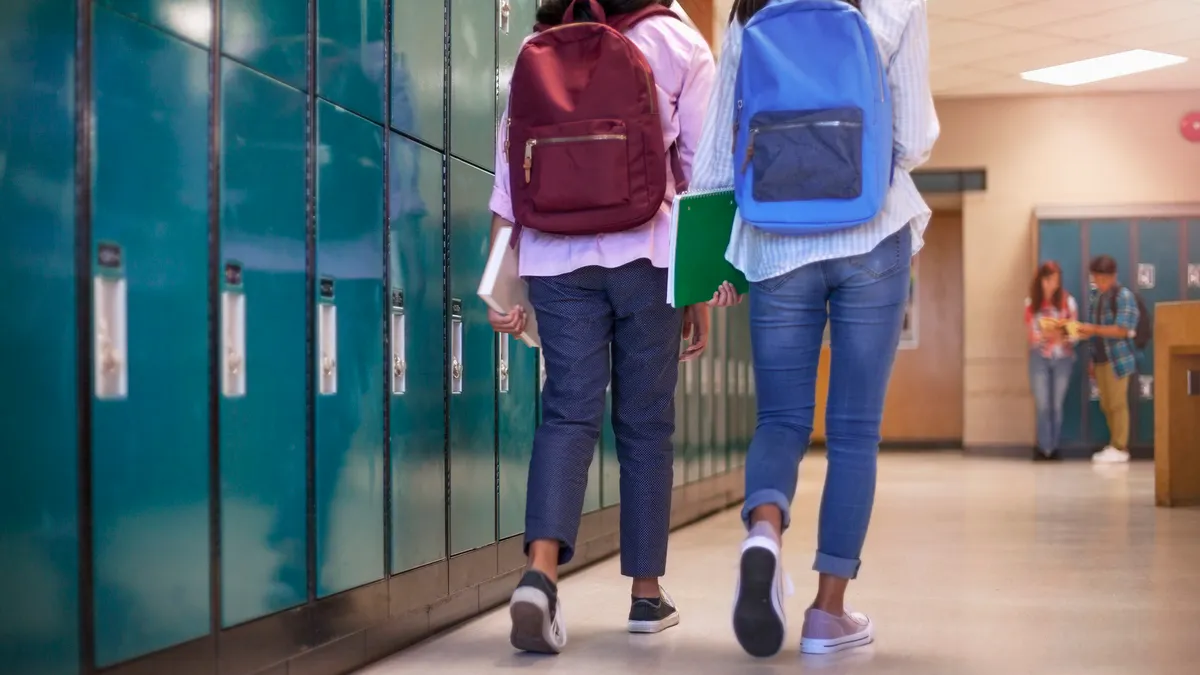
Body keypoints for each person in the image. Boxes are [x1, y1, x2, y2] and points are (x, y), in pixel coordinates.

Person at [695, 0, 939, 658]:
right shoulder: (897, 7)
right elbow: (914, 137)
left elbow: (720, 152)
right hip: (871, 233)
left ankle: (765, 532)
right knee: (854, 430)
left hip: (776, 240)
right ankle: (828, 614)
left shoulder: (751, 12)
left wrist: (709, 262)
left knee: (779, 419)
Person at [486, 0, 715, 655]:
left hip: (557, 259)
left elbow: (510, 181)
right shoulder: (675, 39)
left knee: (567, 412)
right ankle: (646, 592)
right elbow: (701, 171)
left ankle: (540, 573)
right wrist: (693, 281)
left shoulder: (545, 43)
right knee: (646, 422)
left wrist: (502, 283)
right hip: (647, 256)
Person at [1077, 255, 1140, 464]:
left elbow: (1122, 330)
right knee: (1106, 404)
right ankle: (1114, 445)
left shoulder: (1124, 296)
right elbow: (1096, 333)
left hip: (1118, 360)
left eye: (1102, 279)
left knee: (1117, 403)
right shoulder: (1097, 297)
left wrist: (1093, 329)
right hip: (1101, 360)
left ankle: (1120, 446)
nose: (1099, 284)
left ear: (1113, 276)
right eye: (1095, 279)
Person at [1025, 261, 1079, 461]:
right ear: (1040, 281)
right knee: (1043, 404)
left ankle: (1053, 447)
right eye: (1048, 280)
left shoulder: (1068, 302)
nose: (1052, 285)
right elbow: (1031, 334)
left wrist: (1062, 335)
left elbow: (1074, 333)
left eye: (1055, 281)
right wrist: (1046, 335)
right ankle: (1043, 447)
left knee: (1056, 404)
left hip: (1062, 358)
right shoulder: (1031, 303)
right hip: (1039, 357)